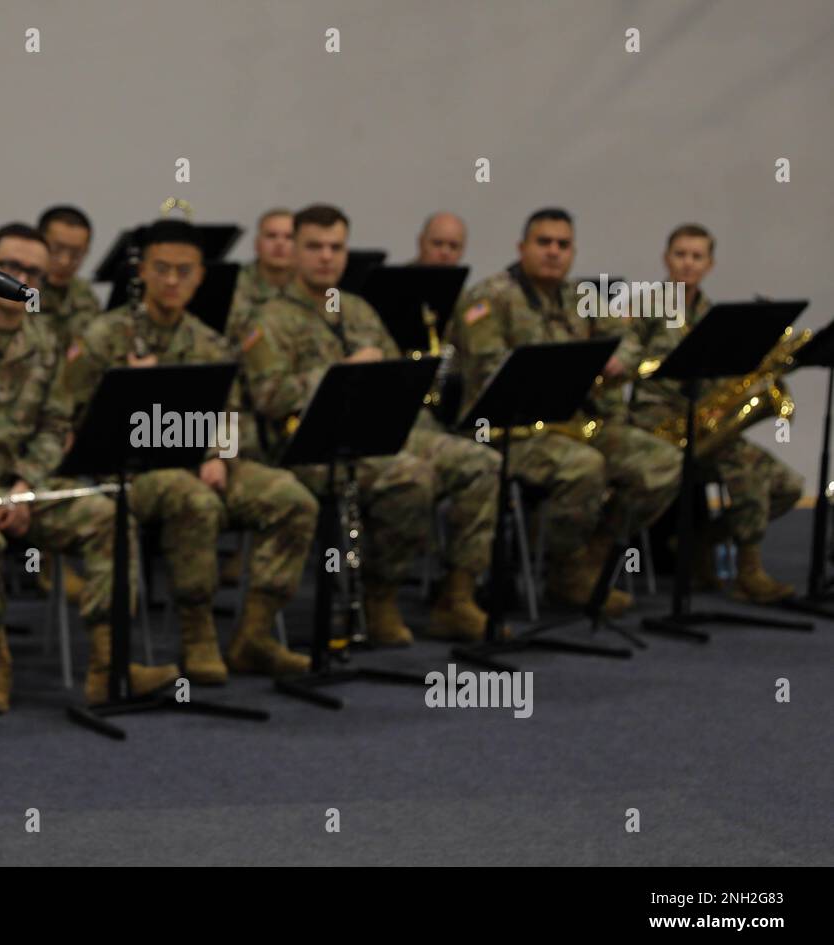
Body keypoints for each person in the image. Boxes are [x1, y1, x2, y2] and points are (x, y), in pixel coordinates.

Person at [0, 222, 178, 710]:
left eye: (33, 271)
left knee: (110, 518)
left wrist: (28, 485)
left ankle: (109, 666)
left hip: (22, 486)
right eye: (11, 265)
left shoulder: (48, 344)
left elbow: (55, 426)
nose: (20, 275)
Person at [64, 218, 316, 679]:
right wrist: (134, 395)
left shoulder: (209, 341)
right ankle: (197, 633)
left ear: (201, 275)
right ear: (142, 272)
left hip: (200, 460)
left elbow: (231, 414)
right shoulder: (106, 336)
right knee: (193, 500)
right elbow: (68, 417)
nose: (173, 280)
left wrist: (219, 455)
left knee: (292, 498)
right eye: (162, 269)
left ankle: (254, 637)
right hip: (128, 471)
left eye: (185, 271)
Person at [244, 204, 499, 643]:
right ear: (297, 252)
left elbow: (398, 380)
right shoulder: (268, 318)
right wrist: (340, 373)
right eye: (315, 247)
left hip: (381, 432)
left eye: (336, 247)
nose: (326, 257)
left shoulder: (359, 310)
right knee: (411, 478)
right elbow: (269, 398)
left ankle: (455, 599)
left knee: (482, 462)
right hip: (310, 444)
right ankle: (379, 599)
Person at [448, 207, 680, 614]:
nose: (553, 252)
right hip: (506, 431)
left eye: (563, 244)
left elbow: (626, 339)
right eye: (543, 243)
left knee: (661, 463)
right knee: (584, 468)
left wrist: (616, 360)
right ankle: (559, 564)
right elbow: (489, 373)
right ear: (522, 248)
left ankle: (585, 560)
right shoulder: (488, 298)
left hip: (572, 425)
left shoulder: (580, 297)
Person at [629, 223, 802, 602]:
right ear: (666, 258)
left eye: (697, 256)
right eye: (680, 255)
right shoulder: (643, 307)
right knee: (744, 466)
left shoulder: (713, 316)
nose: (688, 264)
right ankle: (749, 571)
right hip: (657, 426)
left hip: (705, 425)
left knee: (790, 487)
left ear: (709, 264)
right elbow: (623, 363)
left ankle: (699, 545)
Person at [224, 208, 295, 347]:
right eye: (271, 236)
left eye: (289, 237)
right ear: (257, 243)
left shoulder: (311, 286)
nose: (280, 243)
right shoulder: (230, 284)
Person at [37, 205, 101, 350]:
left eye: (76, 254)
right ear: (38, 243)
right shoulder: (19, 291)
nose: (65, 261)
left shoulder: (85, 294)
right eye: (56, 249)